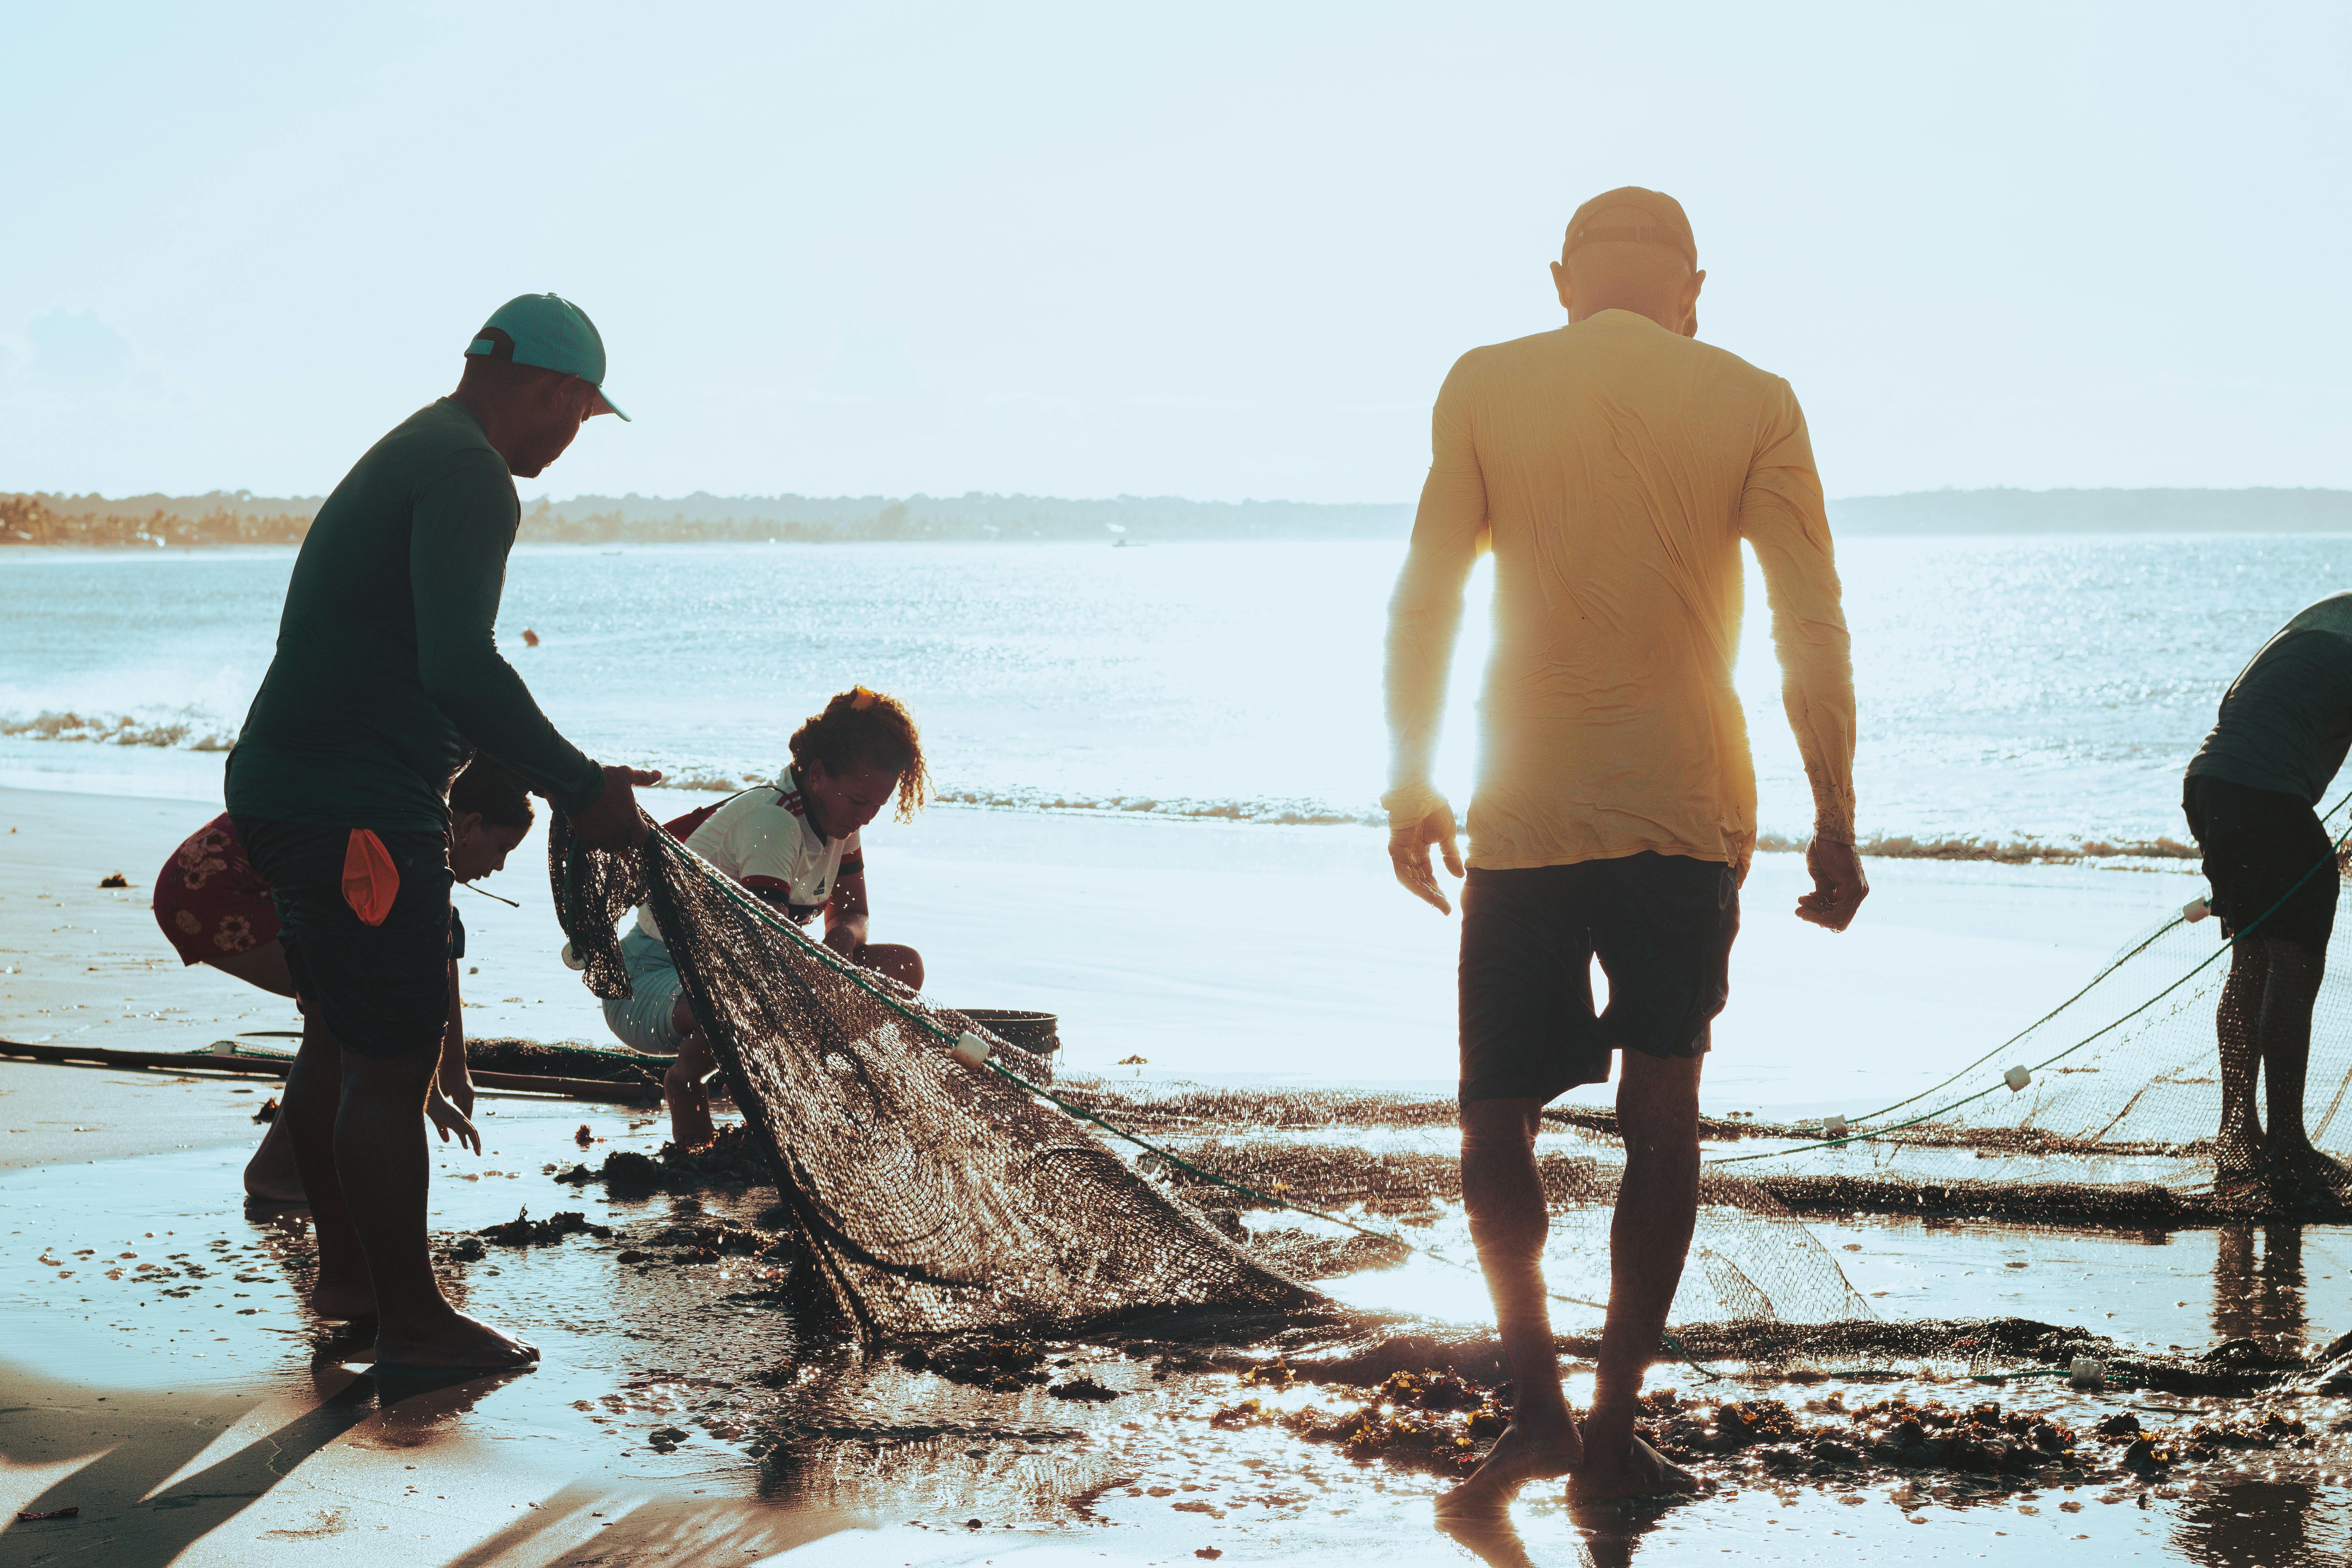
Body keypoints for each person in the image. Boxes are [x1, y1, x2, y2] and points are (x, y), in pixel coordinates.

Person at [1382, 188, 1867, 1509]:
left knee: (1494, 1114)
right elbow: (1807, 623)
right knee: (1661, 1118)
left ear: (1561, 280)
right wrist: (1832, 812)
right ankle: (1608, 1434)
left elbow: (1429, 592)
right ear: (1691, 290)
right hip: (1681, 817)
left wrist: (1410, 777)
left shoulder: (1483, 382)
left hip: (1520, 809)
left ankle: (1534, 1410)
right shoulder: (1752, 397)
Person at [223, 293, 659, 1373]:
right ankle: (414, 1324)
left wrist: (562, 772)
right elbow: (460, 664)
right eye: (581, 417)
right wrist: (578, 786)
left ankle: (352, 1279)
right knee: (389, 1058)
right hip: (354, 810)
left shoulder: (423, 446)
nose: (573, 438)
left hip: (301, 787)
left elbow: (422, 668)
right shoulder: (469, 470)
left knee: (342, 1036)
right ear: (556, 391)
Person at [153, 760, 538, 1200]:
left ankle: (296, 1165)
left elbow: (439, 934)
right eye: (502, 849)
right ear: (469, 825)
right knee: (349, 1008)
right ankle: (277, 1172)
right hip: (213, 891)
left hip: (218, 880)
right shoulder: (416, 828)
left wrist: (454, 1067)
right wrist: (430, 1090)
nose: (500, 867)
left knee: (346, 1005)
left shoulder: (421, 815)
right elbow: (430, 943)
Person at [603, 686, 929, 1147]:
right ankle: (688, 1079)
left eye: (879, 804)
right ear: (818, 774)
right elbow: (768, 954)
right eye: (860, 802)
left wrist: (841, 939)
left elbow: (854, 912)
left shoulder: (841, 818)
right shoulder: (774, 822)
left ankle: (782, 1075)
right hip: (649, 981)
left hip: (742, 975)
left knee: (902, 967)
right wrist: (826, 983)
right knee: (758, 997)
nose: (868, 817)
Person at [2183, 593, 2352, 1202]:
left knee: (2253, 957)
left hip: (2209, 784)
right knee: (2294, 959)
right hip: (2264, 796)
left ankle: (2238, 1133)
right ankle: (2286, 1145)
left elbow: (2235, 705)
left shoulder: (2319, 623)